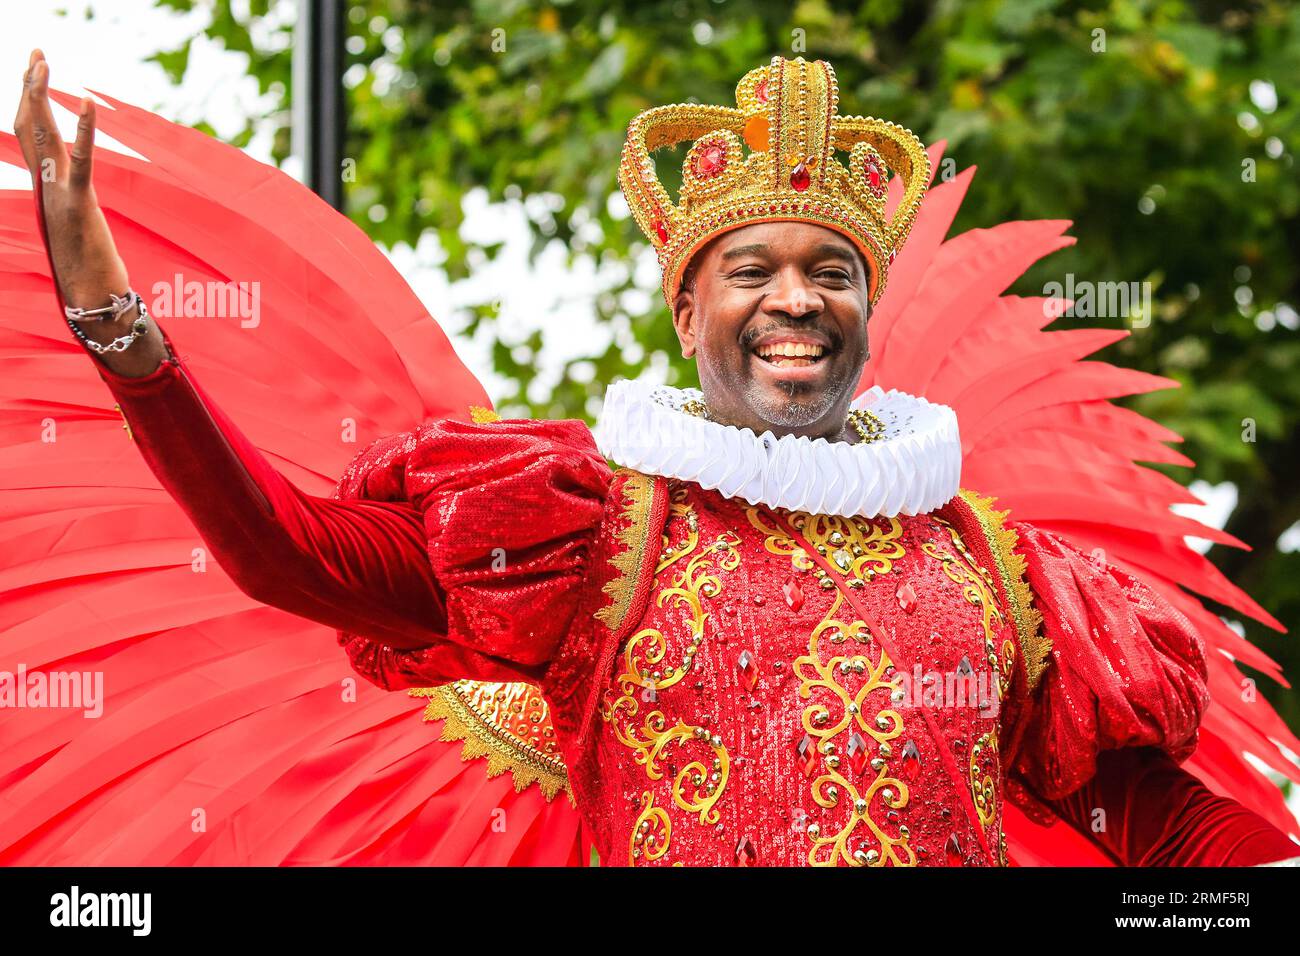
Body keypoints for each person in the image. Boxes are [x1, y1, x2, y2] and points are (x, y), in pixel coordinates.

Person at [11, 48, 1299, 867]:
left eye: (832, 273)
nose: (795, 300)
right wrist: (127, 341)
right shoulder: (589, 532)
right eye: (753, 269)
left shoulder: (1003, 570)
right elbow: (291, 555)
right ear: (691, 315)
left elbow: (1150, 821)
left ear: (865, 314)